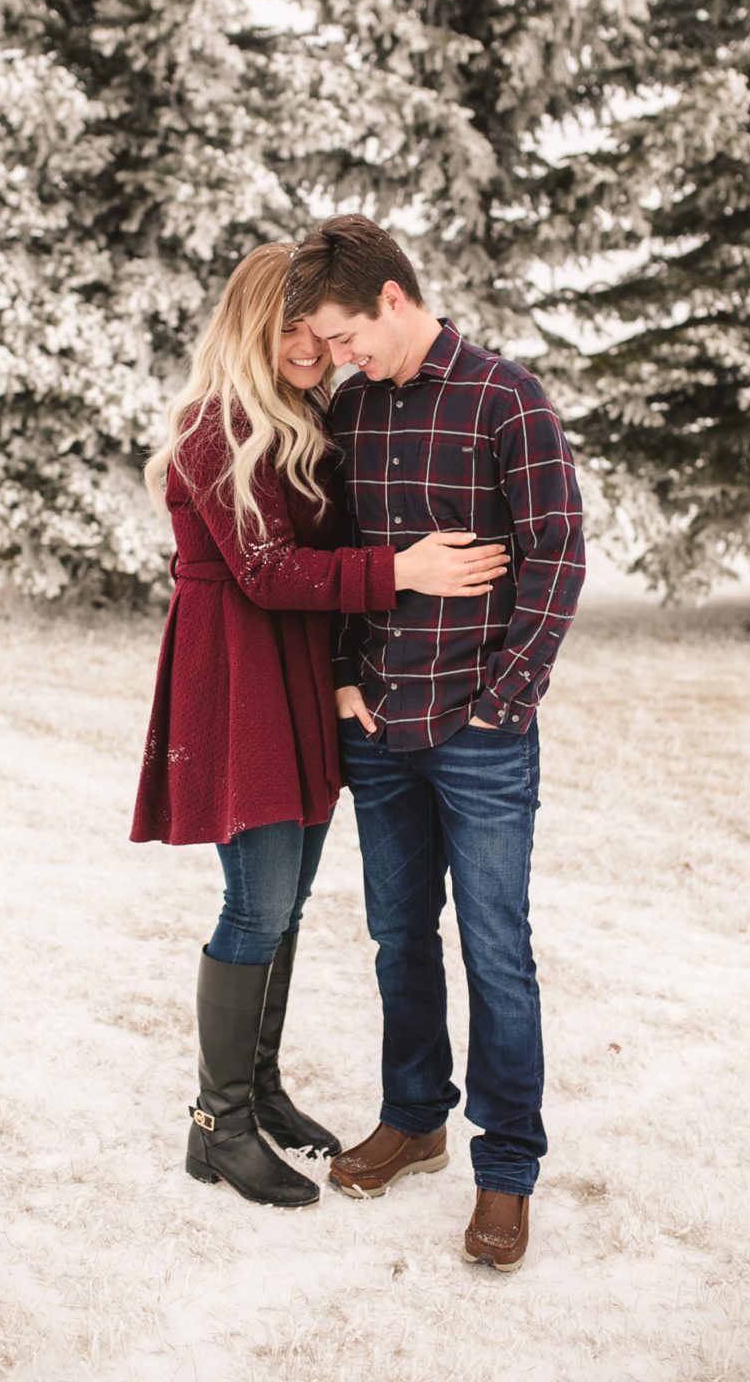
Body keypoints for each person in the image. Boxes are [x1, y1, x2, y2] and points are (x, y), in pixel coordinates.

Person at [130, 241, 510, 1210]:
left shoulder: (300, 418)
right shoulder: (214, 426)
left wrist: (344, 672)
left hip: (296, 677)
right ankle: (215, 1124)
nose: (311, 344)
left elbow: (313, 561)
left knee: (286, 904)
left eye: (318, 326)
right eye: (290, 325)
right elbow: (266, 571)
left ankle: (257, 1092)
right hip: (236, 681)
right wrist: (401, 572)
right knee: (253, 904)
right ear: (253, 323)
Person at [284, 215, 586, 1268]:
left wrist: (505, 698)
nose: (341, 357)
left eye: (346, 335)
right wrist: (336, 681)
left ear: (393, 301)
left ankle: (505, 1171)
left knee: (496, 950)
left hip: (478, 730)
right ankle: (413, 1115)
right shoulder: (353, 411)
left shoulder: (506, 398)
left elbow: (557, 555)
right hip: (378, 728)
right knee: (398, 935)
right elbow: (336, 557)